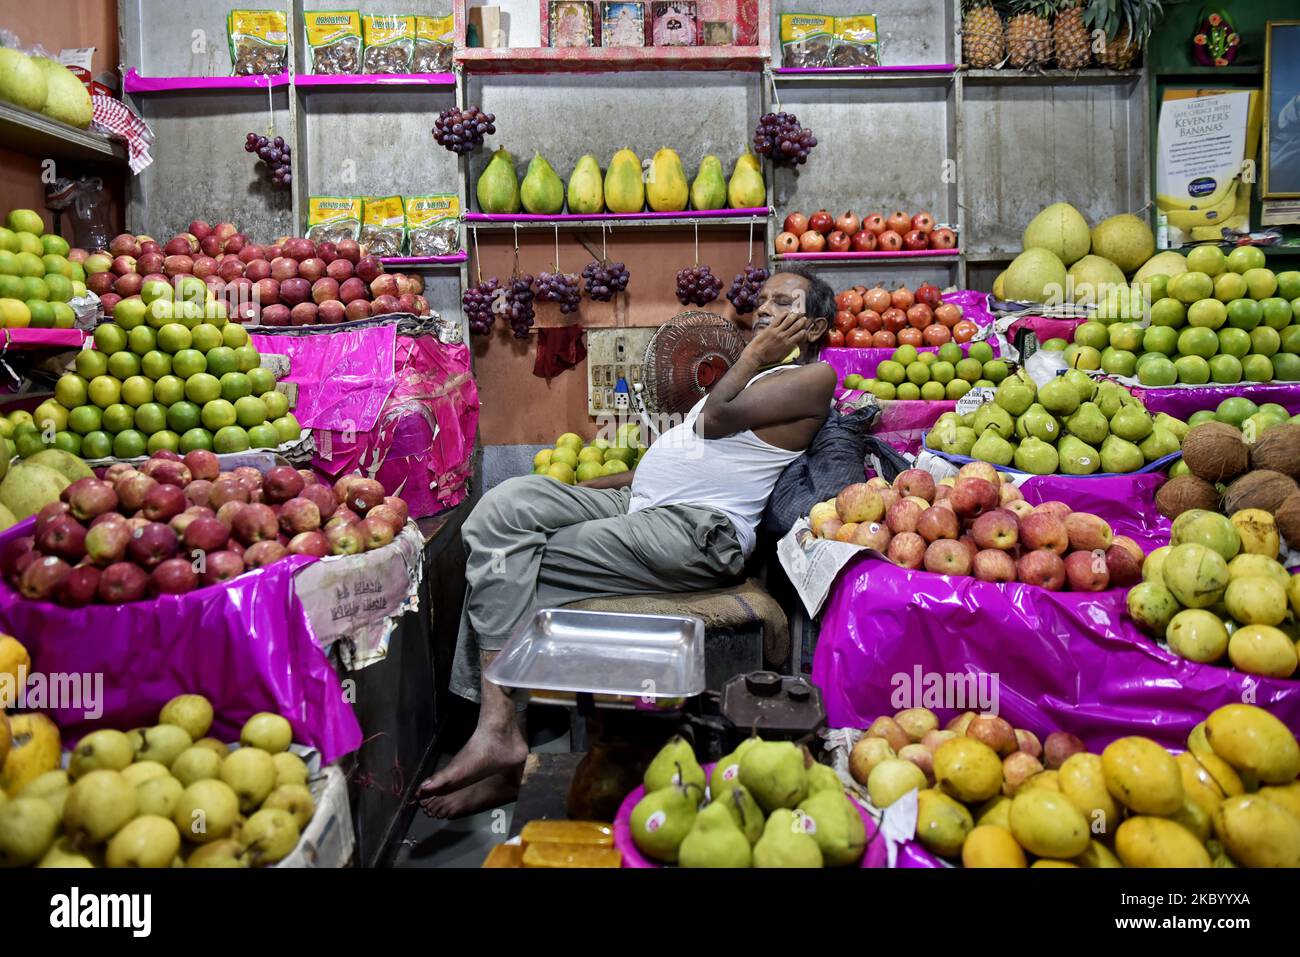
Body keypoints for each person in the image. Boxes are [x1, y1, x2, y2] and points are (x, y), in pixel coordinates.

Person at [418, 267, 837, 816]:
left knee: (508, 560)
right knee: (505, 506)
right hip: (641, 506)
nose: (762, 308)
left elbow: (712, 422)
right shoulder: (753, 377)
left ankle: (499, 732)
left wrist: (752, 353)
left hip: (695, 532)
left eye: (782, 301)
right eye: (760, 299)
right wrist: (576, 492)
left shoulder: (812, 377)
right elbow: (687, 454)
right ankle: (502, 739)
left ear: (813, 325)